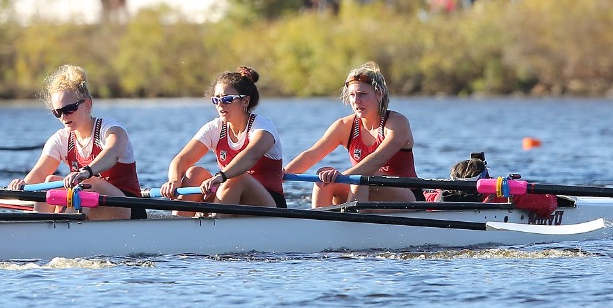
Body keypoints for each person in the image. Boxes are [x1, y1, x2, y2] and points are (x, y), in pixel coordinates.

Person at [7, 65, 143, 221]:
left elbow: (111, 154)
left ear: (87, 105)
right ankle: (38, 230)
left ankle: (61, 230)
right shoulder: (61, 139)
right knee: (51, 181)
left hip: (129, 208)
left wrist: (85, 172)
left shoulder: (111, 130)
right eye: (57, 112)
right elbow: (39, 174)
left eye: (69, 109)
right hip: (90, 204)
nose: (63, 117)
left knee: (89, 182)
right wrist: (20, 187)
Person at [284, 61, 420, 208]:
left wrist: (343, 177)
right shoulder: (345, 126)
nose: (356, 101)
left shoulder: (397, 123)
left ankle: (354, 221)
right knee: (323, 179)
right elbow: (311, 154)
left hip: (408, 196)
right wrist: (281, 174)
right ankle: (318, 224)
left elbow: (378, 159)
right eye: (352, 95)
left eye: (362, 94)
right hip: (363, 189)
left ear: (379, 94)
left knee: (362, 177)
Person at [161, 67, 284, 209]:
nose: (220, 105)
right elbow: (181, 160)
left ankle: (215, 223)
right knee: (194, 173)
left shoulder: (263, 127)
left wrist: (222, 176)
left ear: (245, 101)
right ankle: (180, 224)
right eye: (216, 99)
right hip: (230, 197)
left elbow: (251, 155)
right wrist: (174, 181)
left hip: (269, 205)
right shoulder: (215, 128)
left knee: (237, 178)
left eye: (227, 99)